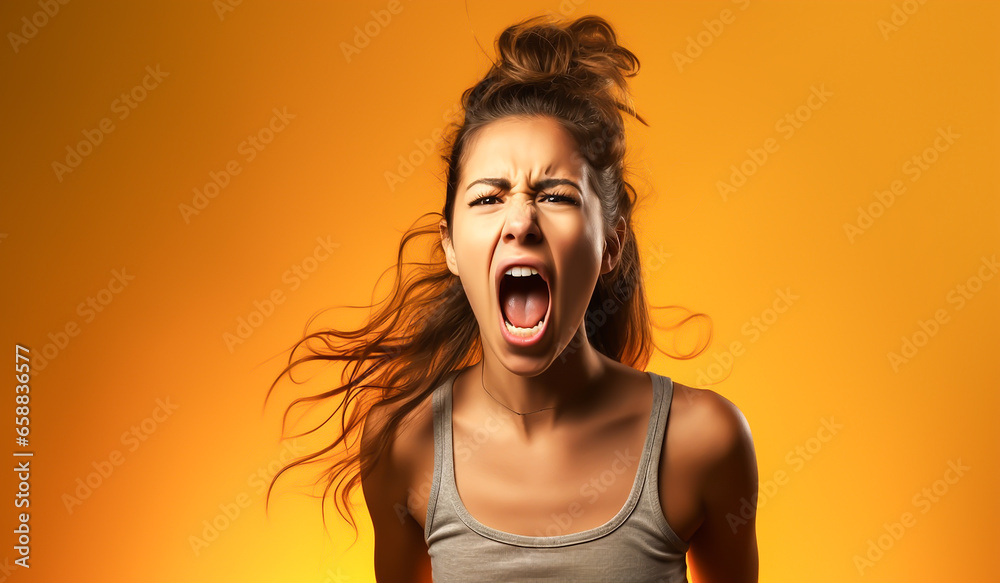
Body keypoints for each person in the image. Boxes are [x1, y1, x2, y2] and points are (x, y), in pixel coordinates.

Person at [268, 14, 758, 583]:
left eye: (555, 196)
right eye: (487, 199)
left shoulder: (701, 440)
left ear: (611, 245)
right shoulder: (402, 444)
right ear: (451, 247)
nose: (520, 221)